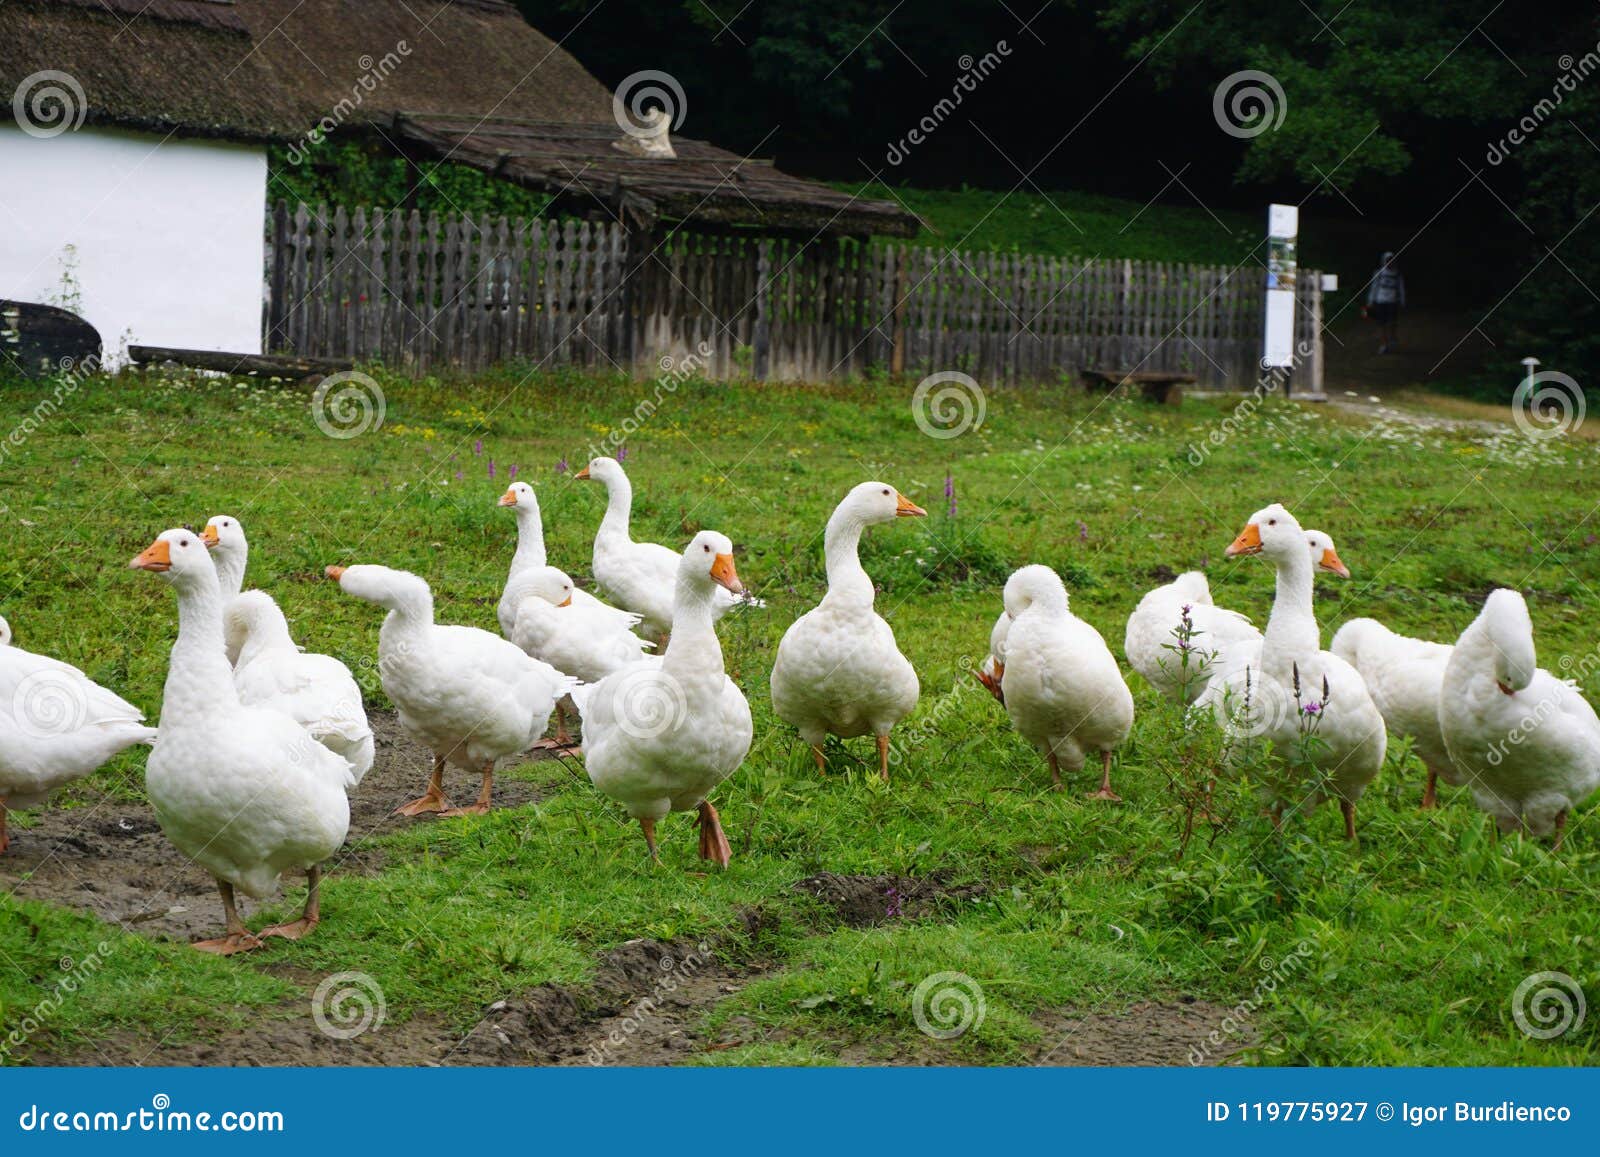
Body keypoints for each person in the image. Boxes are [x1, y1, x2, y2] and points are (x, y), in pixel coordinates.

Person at [1365, 251, 1406, 354]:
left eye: (1392, 260)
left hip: (1393, 301)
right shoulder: (1379, 273)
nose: (1390, 262)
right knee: (1381, 323)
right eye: (1388, 260)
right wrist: (1370, 301)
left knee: (1392, 322)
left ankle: (1392, 339)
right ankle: (1384, 344)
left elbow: (1401, 288)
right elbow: (1374, 287)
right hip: (1380, 301)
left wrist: (1402, 301)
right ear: (1384, 261)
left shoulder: (1397, 274)